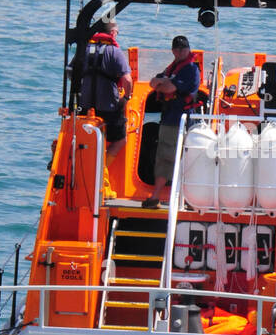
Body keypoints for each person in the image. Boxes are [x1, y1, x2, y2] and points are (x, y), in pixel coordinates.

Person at [144, 35, 201, 208]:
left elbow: (168, 87)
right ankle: (155, 197)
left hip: (182, 120)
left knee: (183, 159)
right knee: (163, 157)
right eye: (177, 49)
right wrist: (163, 81)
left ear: (189, 49)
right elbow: (153, 82)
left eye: (184, 48)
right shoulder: (172, 69)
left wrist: (163, 83)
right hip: (168, 119)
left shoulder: (190, 69)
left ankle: (188, 199)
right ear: (173, 51)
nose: (181, 51)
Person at [76, 15, 133, 178]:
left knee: (86, 140)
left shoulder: (85, 49)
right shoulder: (115, 52)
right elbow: (127, 80)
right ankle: (100, 172)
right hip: (108, 106)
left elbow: (72, 72)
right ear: (113, 33)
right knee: (120, 140)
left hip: (85, 105)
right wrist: (126, 98)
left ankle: (84, 168)